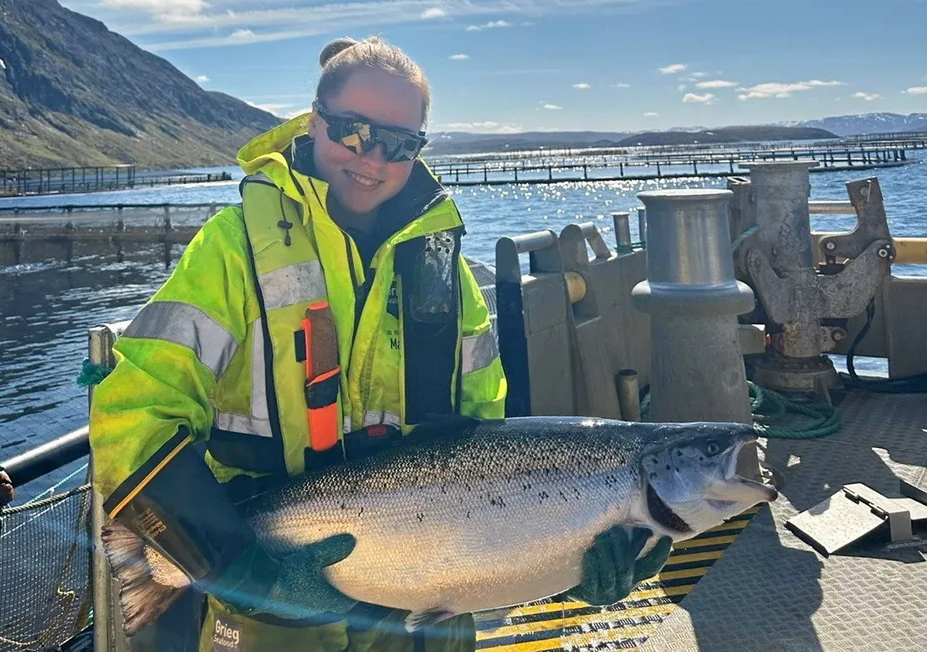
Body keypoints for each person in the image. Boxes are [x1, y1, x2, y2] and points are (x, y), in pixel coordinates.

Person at [89, 35, 671, 652]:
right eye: (351, 131)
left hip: (427, 609)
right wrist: (231, 569)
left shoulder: (447, 272)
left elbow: (486, 432)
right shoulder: (231, 248)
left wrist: (568, 556)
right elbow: (133, 412)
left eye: (399, 144)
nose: (372, 157)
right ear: (315, 122)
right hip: (272, 609)